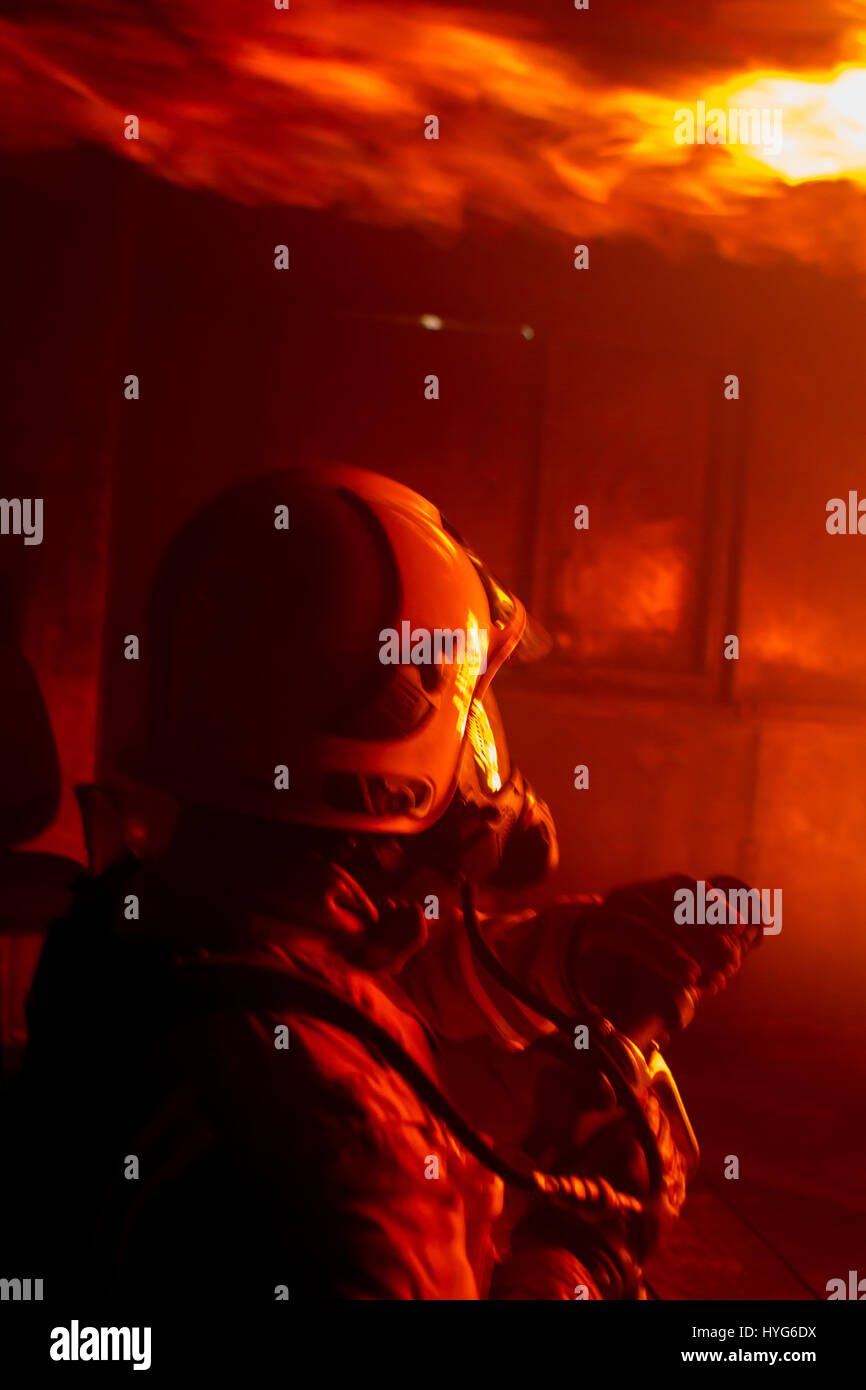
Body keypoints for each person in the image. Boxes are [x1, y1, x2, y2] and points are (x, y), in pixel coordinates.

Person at [15, 467, 755, 1304]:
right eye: (473, 708)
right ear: (396, 719)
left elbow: (350, 982)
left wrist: (568, 959)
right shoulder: (354, 1149)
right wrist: (582, 1257)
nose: (484, 747)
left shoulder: (139, 921)